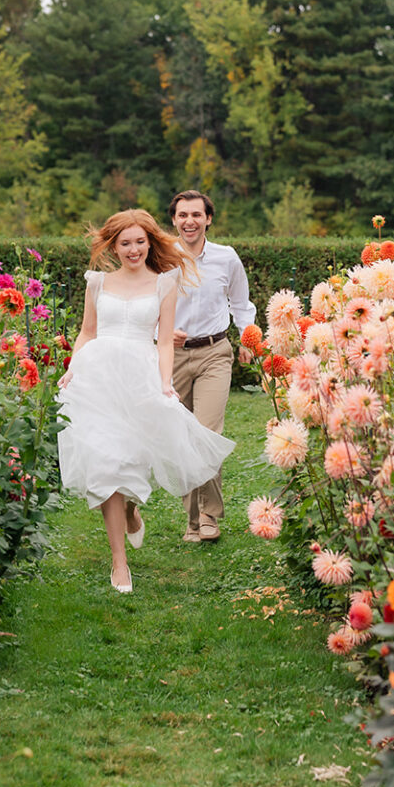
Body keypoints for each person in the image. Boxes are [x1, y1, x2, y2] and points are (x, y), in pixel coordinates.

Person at [57, 209, 235, 594]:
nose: (134, 249)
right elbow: (88, 332)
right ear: (114, 246)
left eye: (140, 242)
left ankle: (131, 512)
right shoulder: (97, 283)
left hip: (140, 375)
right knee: (106, 462)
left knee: (131, 462)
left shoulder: (163, 284)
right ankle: (119, 564)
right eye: (126, 243)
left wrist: (164, 383)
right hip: (98, 376)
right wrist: (72, 368)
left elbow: (165, 341)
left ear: (150, 243)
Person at [169, 189, 256, 544]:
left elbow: (241, 301)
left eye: (196, 215)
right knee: (184, 437)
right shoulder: (160, 257)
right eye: (182, 215)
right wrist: (160, 332)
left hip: (214, 352)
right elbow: (143, 300)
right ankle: (191, 520)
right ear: (174, 220)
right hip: (171, 357)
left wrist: (248, 337)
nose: (189, 221)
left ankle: (209, 515)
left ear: (208, 219)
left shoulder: (226, 257)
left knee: (207, 433)